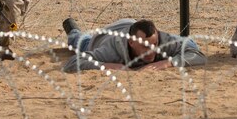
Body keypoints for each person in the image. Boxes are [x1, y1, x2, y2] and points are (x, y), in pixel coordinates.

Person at [61, 17, 206, 72]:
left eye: (154, 44)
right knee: (80, 42)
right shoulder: (111, 51)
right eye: (145, 46)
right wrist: (108, 65)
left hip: (132, 25)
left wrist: (168, 63)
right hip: (102, 37)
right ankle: (73, 30)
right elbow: (72, 63)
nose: (152, 51)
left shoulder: (163, 41)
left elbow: (197, 54)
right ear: (131, 43)